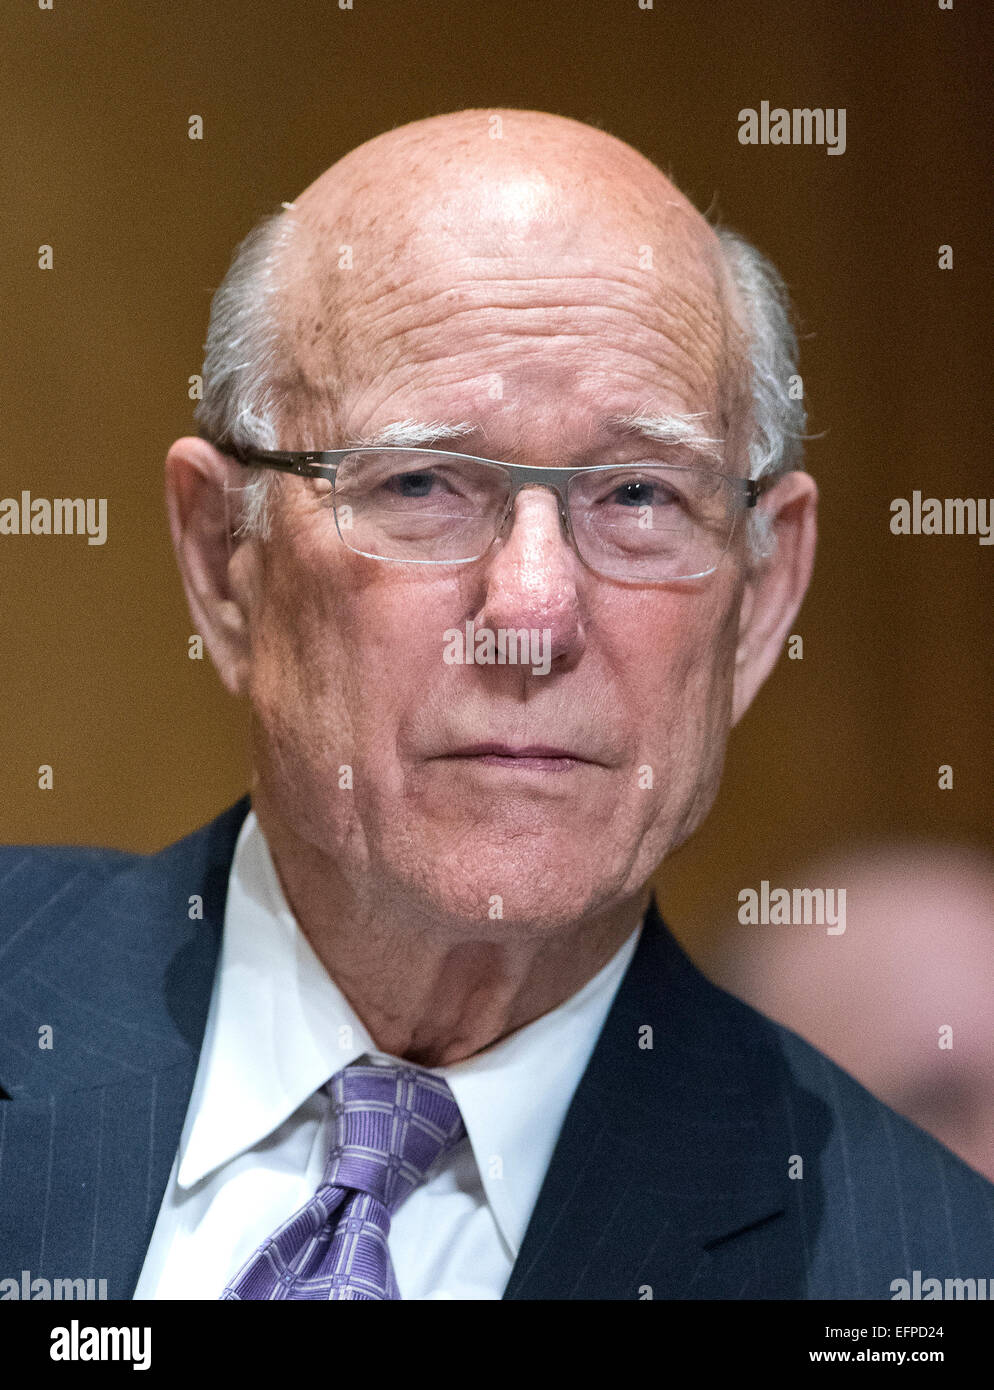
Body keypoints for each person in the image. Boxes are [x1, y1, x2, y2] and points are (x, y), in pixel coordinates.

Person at [2, 109, 992, 1302]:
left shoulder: (916, 1277)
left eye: (637, 493)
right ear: (225, 559)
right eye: (418, 482)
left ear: (764, 592)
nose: (530, 612)